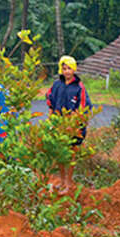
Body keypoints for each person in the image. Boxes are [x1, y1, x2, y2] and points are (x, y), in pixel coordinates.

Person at [46, 55, 90, 192]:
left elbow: (83, 107)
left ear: (74, 69)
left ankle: (69, 183)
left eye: (69, 68)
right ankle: (62, 181)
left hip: (73, 126)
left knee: (71, 154)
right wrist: (52, 116)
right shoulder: (57, 84)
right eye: (64, 69)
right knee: (60, 154)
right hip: (59, 124)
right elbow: (50, 98)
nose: (67, 72)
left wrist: (75, 123)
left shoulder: (79, 87)